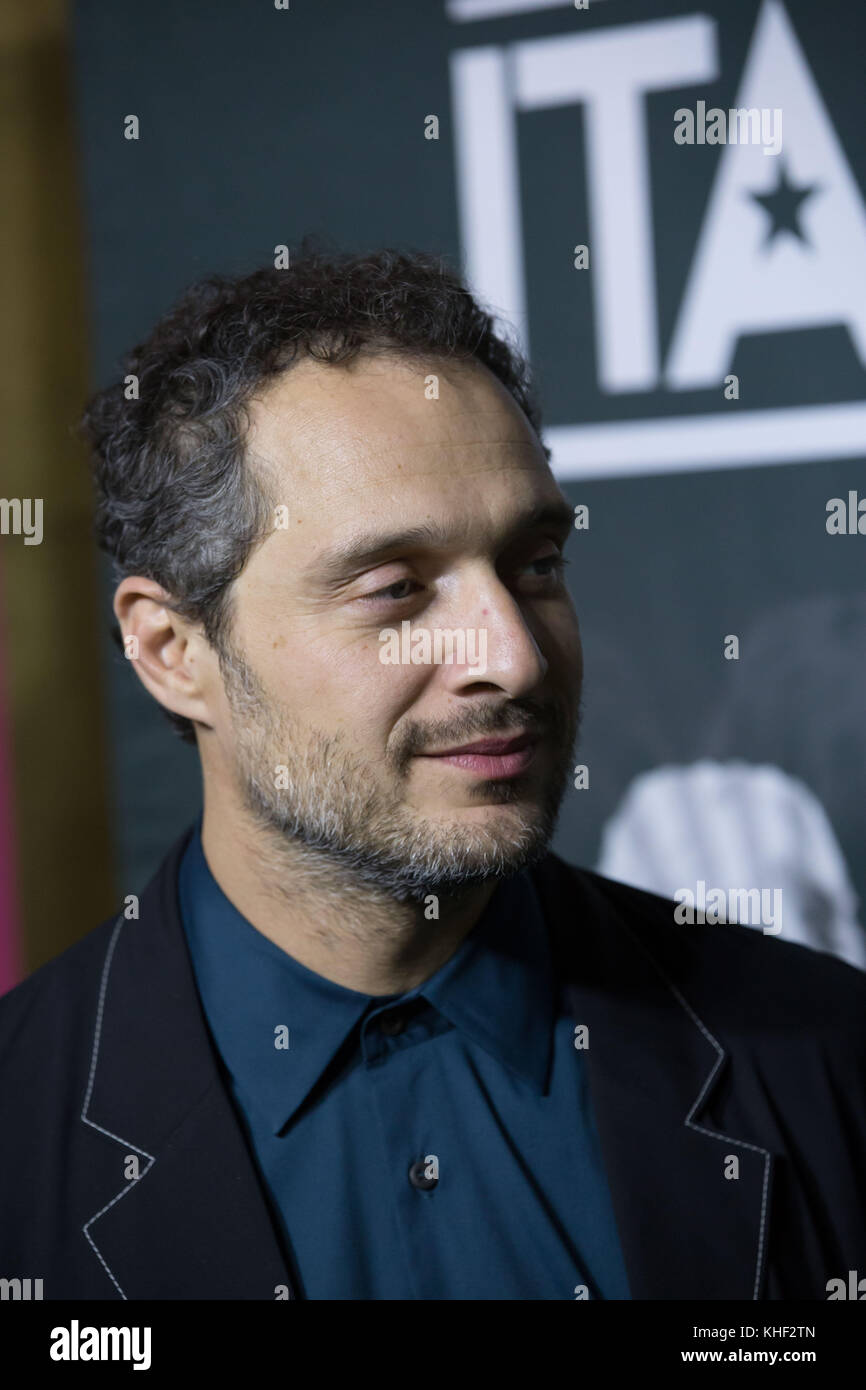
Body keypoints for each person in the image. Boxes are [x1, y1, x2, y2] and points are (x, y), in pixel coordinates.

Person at [0, 247, 863, 1301]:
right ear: (175, 651)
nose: (512, 655)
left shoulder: (822, 1054)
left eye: (533, 565)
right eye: (396, 589)